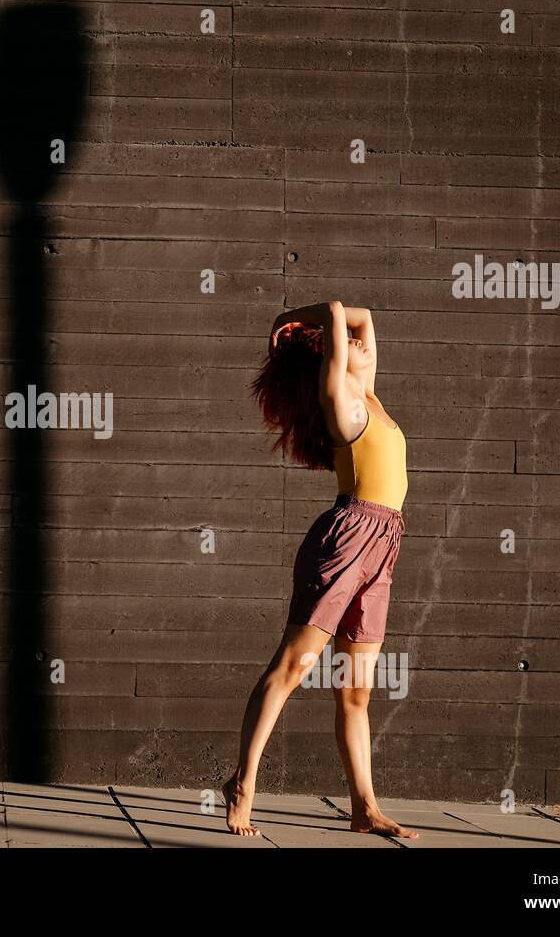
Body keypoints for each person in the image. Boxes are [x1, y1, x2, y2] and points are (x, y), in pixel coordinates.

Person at [222, 301, 418, 839]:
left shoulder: (369, 394)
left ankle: (364, 808)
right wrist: (289, 319)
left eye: (356, 342)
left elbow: (363, 316)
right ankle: (242, 785)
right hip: (347, 538)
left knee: (355, 690)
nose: (358, 341)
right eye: (343, 342)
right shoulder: (339, 399)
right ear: (330, 357)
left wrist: (323, 327)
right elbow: (336, 312)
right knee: (292, 667)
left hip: (384, 543)